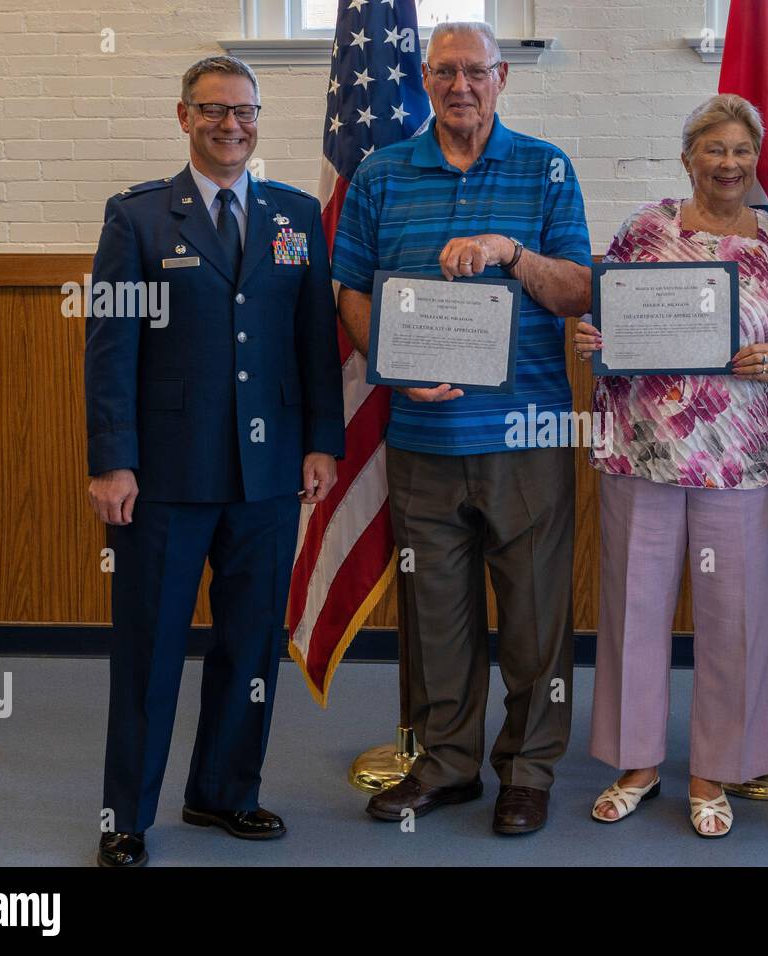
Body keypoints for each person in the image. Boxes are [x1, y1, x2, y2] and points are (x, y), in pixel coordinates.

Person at [332, 21, 592, 836]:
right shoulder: (380, 171)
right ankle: (446, 764)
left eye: (474, 71)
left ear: (501, 77)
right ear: (424, 78)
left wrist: (512, 252)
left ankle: (528, 770)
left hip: (526, 438)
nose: (459, 86)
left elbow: (578, 291)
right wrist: (394, 364)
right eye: (443, 71)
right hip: (423, 439)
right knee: (435, 614)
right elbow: (349, 290)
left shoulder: (547, 168)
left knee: (534, 618)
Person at [85, 55, 346, 867]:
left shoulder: (295, 214)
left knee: (249, 644)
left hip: (265, 478)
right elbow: (110, 351)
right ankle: (124, 816)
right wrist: (112, 460)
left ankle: (225, 792)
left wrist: (321, 444)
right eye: (213, 111)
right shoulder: (136, 219)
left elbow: (314, 345)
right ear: (183, 116)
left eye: (245, 111)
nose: (232, 125)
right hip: (164, 477)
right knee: (150, 648)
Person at [574, 94, 768, 837]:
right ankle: (637, 762)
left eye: (742, 151)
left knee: (733, 618)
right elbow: (602, 312)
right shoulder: (644, 229)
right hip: (642, 449)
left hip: (745, 460)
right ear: (688, 158)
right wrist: (594, 337)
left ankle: (714, 769)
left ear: (756, 159)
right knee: (633, 608)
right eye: (714, 149)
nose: (728, 164)